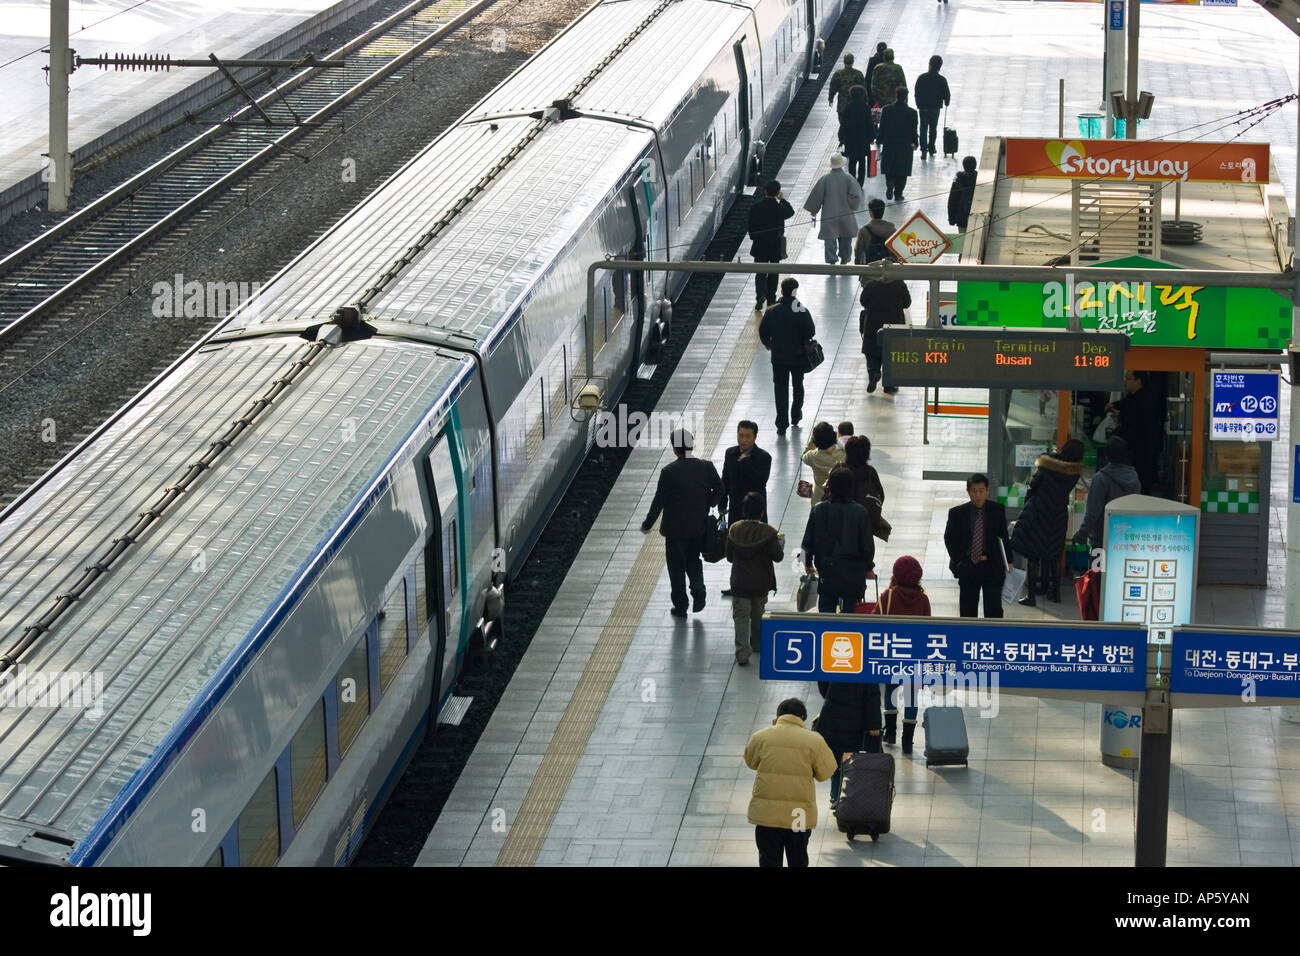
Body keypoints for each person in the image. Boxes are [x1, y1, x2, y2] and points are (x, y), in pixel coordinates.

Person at [744, 698, 838, 867]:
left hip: (767, 814)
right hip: (799, 815)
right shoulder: (814, 740)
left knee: (769, 860)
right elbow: (826, 772)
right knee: (798, 858)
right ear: (803, 717)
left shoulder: (761, 736)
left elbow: (750, 762)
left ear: (778, 715)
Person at [640, 427, 723, 618]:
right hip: (698, 527)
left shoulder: (669, 472)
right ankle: (698, 588)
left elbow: (658, 501)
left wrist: (648, 523)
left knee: (676, 568)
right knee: (693, 560)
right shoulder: (706, 466)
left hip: (674, 530)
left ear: (674, 448)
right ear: (692, 444)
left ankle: (681, 606)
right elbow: (719, 488)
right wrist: (708, 503)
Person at [1009, 440, 1085, 606]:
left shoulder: (1048, 463)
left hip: (1039, 512)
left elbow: (1033, 485)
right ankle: (1055, 594)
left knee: (1033, 554)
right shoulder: (1074, 473)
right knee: (1054, 555)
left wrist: (1028, 502)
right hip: (1058, 515)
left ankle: (1031, 596)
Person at [873, 555, 931, 754]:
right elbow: (928, 629)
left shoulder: (888, 596)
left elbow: (874, 620)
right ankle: (908, 741)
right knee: (911, 695)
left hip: (892, 651)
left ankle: (890, 733)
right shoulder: (923, 599)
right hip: (914, 655)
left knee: (890, 690)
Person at [802, 467, 875, 613]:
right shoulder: (860, 512)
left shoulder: (818, 509)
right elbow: (866, 545)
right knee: (850, 614)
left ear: (830, 486)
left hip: (827, 569)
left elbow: (808, 541)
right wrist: (868, 567)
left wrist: (808, 562)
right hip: (853, 572)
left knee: (826, 611)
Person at [726, 492, 783, 666]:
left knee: (741, 617)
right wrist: (780, 545)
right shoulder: (769, 532)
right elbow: (777, 557)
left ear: (744, 510)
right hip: (760, 583)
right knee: (758, 614)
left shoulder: (734, 530)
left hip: (740, 582)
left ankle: (742, 652)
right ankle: (757, 643)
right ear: (761, 512)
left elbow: (729, 556)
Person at [944, 474, 1011, 618]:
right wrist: (959, 561)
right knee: (968, 610)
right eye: (974, 491)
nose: (978, 495)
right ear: (968, 491)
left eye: (981, 490)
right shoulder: (957, 513)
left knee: (994, 610)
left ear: (988, 491)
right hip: (968, 565)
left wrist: (1009, 561)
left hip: (992, 565)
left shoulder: (997, 510)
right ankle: (968, 638)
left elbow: (1004, 537)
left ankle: (992, 639)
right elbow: (949, 539)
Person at [758, 277, 816, 436]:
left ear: (781, 291)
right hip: (798, 357)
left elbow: (763, 332)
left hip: (779, 358)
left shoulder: (771, 310)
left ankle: (781, 424)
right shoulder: (801, 310)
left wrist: (769, 344)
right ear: (795, 291)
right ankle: (796, 415)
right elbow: (811, 332)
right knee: (798, 386)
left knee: (780, 389)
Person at [816, 680, 882, 809]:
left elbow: (823, 686)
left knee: (835, 759)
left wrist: (834, 697)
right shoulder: (866, 665)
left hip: (832, 716)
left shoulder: (833, 661)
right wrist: (874, 725)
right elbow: (872, 697)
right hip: (857, 721)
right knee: (853, 761)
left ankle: (836, 795)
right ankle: (851, 794)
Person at [1073, 436, 1142, 551]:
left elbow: (1092, 513)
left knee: (1099, 569)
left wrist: (1081, 535)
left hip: (1101, 540)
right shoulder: (1134, 477)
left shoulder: (1100, 479)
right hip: (1125, 540)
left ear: (1106, 456)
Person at [1109, 370, 1165, 494]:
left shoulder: (1145, 399)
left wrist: (1120, 415)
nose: (1125, 382)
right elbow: (1125, 405)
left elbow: (1135, 421)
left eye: (1128, 379)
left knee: (1141, 483)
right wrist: (1114, 405)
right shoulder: (1133, 397)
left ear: (1138, 381)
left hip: (1141, 451)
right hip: (1135, 450)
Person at [803, 153, 863, 264]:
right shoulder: (849, 178)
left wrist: (814, 210)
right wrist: (850, 205)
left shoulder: (825, 179)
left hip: (829, 215)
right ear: (841, 164)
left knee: (830, 239)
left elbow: (817, 196)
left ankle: (832, 261)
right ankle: (845, 259)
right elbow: (856, 196)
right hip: (846, 214)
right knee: (846, 238)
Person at [747, 180, 795, 312]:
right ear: (778, 192)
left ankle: (760, 296)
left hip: (760, 245)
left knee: (760, 273)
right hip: (775, 245)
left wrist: (755, 238)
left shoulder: (756, 207)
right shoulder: (779, 207)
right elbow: (791, 212)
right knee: (773, 272)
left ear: (765, 191)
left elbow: (751, 226)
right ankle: (771, 299)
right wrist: (782, 200)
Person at [860, 270, 911, 394]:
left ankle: (874, 373)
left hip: (873, 324)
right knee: (891, 354)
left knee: (872, 352)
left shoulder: (872, 284)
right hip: (894, 324)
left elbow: (863, 301)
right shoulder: (899, 285)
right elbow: (907, 303)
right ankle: (890, 385)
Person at [721, 419, 773, 524]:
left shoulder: (764, 457)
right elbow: (725, 479)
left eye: (748, 436)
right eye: (740, 435)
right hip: (735, 507)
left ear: (755, 437)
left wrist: (745, 463)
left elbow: (760, 482)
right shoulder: (730, 453)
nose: (743, 440)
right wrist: (722, 503)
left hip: (755, 511)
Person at [877, 85, 919, 202]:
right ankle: (898, 193)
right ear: (906, 97)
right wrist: (915, 143)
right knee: (902, 170)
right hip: (904, 145)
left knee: (889, 167)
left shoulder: (887, 110)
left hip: (889, 143)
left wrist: (879, 140)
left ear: (896, 95)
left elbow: (882, 127)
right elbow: (913, 130)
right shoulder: (912, 113)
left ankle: (890, 183)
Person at [913, 55, 951, 159]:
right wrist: (946, 102)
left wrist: (918, 103)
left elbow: (917, 92)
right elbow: (946, 93)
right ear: (940, 66)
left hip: (923, 107)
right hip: (935, 108)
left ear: (929, 64)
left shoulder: (922, 77)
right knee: (933, 129)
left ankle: (923, 150)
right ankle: (931, 148)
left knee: (923, 128)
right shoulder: (942, 79)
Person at [802, 421, 846, 507]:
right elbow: (848, 449)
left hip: (818, 499)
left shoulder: (812, 456)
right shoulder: (843, 455)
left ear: (815, 440)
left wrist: (811, 442)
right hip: (839, 500)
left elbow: (803, 457)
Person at [840, 86, 876, 186]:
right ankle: (860, 182)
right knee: (862, 161)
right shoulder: (865, 107)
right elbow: (869, 123)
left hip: (850, 138)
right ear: (863, 94)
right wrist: (872, 137)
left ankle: (852, 181)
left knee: (852, 161)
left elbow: (844, 123)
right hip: (862, 139)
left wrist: (841, 136)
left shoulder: (848, 107)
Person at [854, 198, 896, 270]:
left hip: (870, 272)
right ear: (883, 211)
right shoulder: (893, 230)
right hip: (890, 271)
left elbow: (858, 251)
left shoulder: (863, 231)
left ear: (871, 213)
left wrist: (858, 267)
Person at [828, 53, 866, 124]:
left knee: (843, 124)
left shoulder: (838, 74)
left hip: (843, 105)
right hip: (856, 106)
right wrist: (865, 102)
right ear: (853, 61)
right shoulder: (858, 74)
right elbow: (863, 89)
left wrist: (831, 99)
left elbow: (833, 87)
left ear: (844, 61)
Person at [870, 49, 905, 116]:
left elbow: (873, 85)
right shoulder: (898, 68)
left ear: (884, 57)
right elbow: (903, 85)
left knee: (882, 119)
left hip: (881, 100)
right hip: (895, 100)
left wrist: (875, 98)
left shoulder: (878, 68)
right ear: (893, 57)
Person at [948, 155, 978, 232]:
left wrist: (952, 219)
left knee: (963, 238)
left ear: (963, 166)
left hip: (961, 217)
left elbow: (952, 202)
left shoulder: (957, 182)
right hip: (976, 216)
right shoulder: (979, 180)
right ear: (975, 165)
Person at [864, 42, 888, 106]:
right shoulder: (888, 62)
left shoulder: (872, 61)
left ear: (877, 50)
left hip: (874, 94)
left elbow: (868, 78)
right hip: (886, 95)